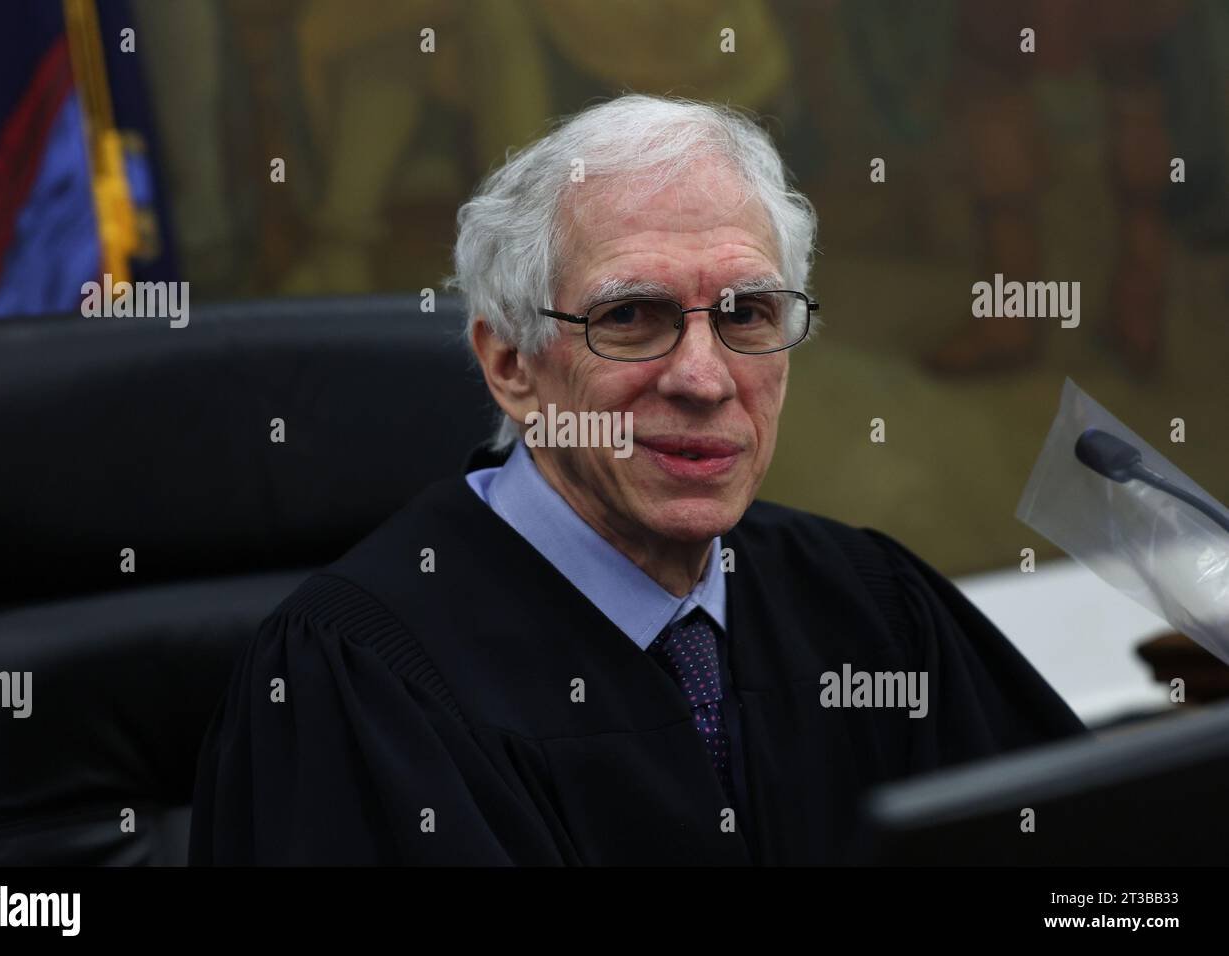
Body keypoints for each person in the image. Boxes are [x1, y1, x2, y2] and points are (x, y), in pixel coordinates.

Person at [189, 94, 1085, 865]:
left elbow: (1109, 891)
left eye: (748, 313)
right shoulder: (352, 680)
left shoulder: (875, 609)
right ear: (510, 365)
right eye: (630, 316)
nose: (704, 377)